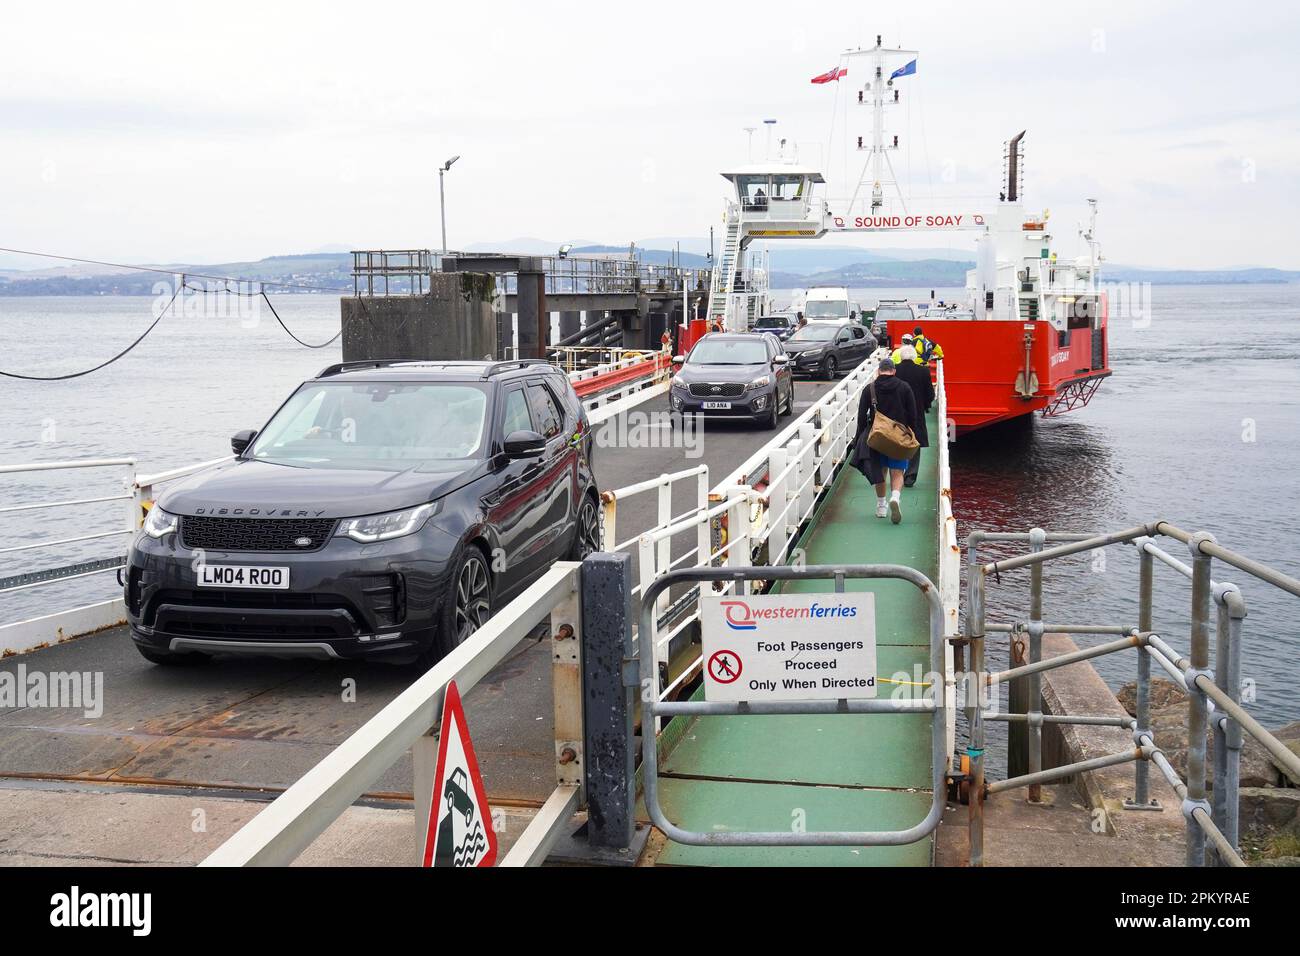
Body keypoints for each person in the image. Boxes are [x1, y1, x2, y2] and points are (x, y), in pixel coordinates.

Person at [850, 357, 919, 524]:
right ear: (894, 371)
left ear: (878, 371)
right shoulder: (904, 387)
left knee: (881, 472)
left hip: (877, 437)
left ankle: (881, 506)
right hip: (898, 437)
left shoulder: (870, 389)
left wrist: (859, 438)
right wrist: (911, 433)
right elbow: (913, 414)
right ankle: (895, 497)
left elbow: (861, 418)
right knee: (897, 472)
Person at [894, 344, 934, 488]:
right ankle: (910, 476)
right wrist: (925, 405)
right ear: (914, 357)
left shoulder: (894, 370)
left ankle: (897, 472)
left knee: (897, 441)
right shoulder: (923, 371)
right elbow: (930, 394)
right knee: (915, 443)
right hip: (917, 413)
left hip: (896, 413)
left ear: (901, 356)